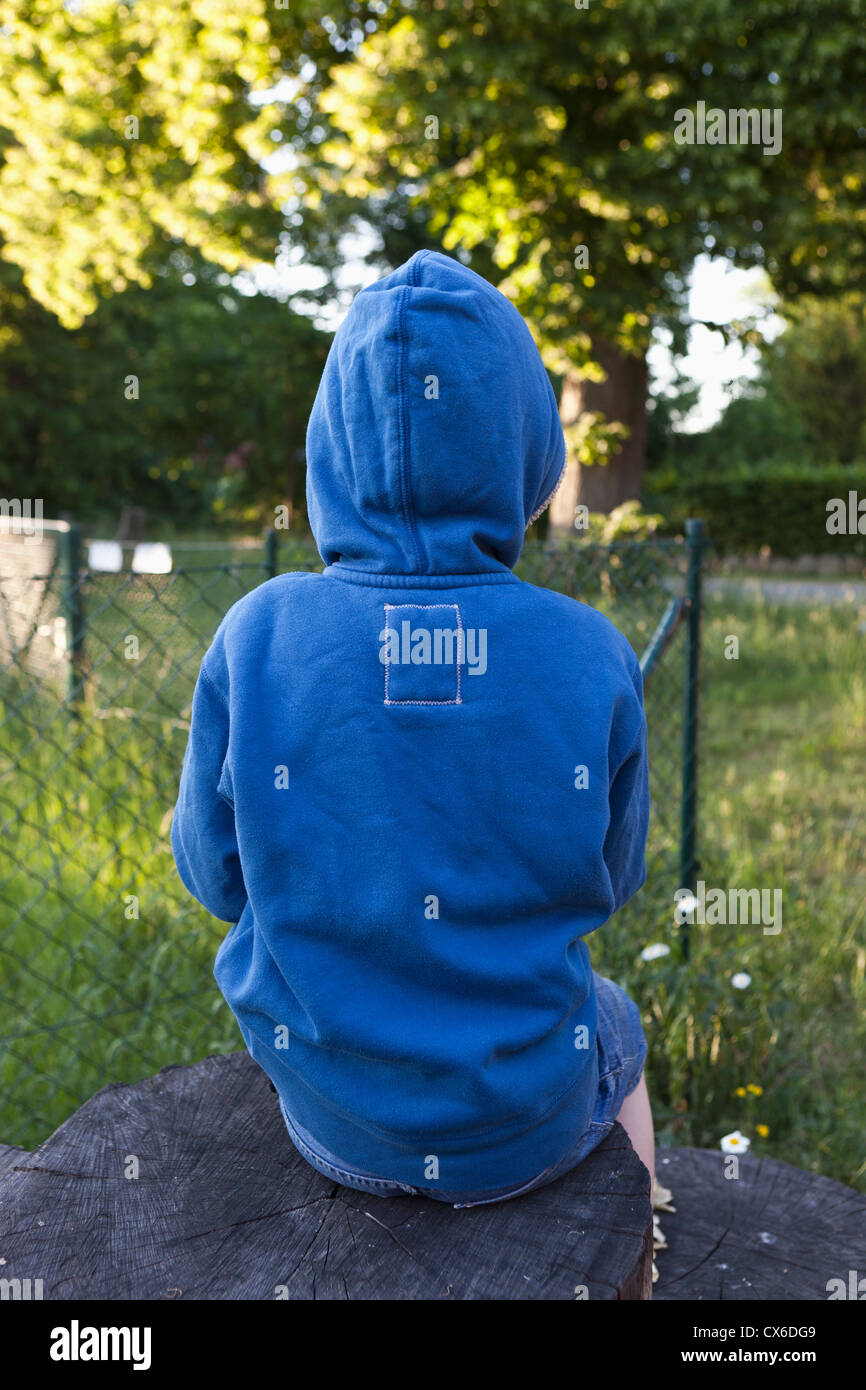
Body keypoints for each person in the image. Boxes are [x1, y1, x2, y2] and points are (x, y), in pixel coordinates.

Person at [171, 249, 654, 1209]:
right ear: (526, 450)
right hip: (527, 1122)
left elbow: (215, 877)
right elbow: (617, 877)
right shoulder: (591, 650)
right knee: (618, 1025)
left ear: (327, 450)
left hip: (330, 1114)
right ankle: (639, 1238)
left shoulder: (260, 632)